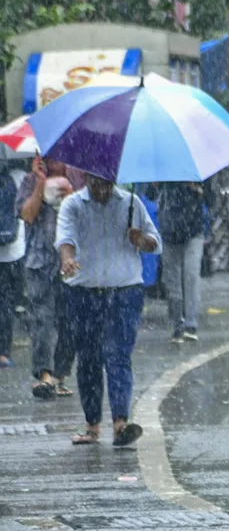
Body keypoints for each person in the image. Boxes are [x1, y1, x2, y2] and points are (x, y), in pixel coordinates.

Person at [57, 173, 162, 447]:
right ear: (86, 179)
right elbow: (65, 239)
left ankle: (121, 424)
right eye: (94, 183)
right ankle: (92, 426)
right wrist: (67, 259)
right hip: (83, 292)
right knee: (89, 359)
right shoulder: (72, 205)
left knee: (118, 356)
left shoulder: (131, 203)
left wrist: (141, 239)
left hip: (124, 292)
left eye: (104, 183)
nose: (100, 189)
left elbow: (155, 243)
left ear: (113, 179)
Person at [19, 157, 82, 399]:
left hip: (71, 262)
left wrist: (71, 195)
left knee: (70, 322)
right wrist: (40, 185)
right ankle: (44, 375)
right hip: (40, 261)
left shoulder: (77, 177)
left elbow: (85, 216)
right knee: (42, 319)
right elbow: (26, 215)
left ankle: (59, 375)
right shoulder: (29, 180)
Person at [155, 181, 210, 343]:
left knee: (191, 275)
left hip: (193, 231)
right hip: (169, 232)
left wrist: (197, 189)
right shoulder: (162, 171)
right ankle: (177, 323)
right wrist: (155, 186)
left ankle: (191, 324)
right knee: (173, 282)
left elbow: (211, 200)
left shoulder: (197, 172)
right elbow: (151, 195)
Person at [0, 157, 25, 369]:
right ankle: (3, 352)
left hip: (12, 251)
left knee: (4, 304)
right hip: (14, 251)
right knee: (6, 304)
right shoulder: (19, 178)